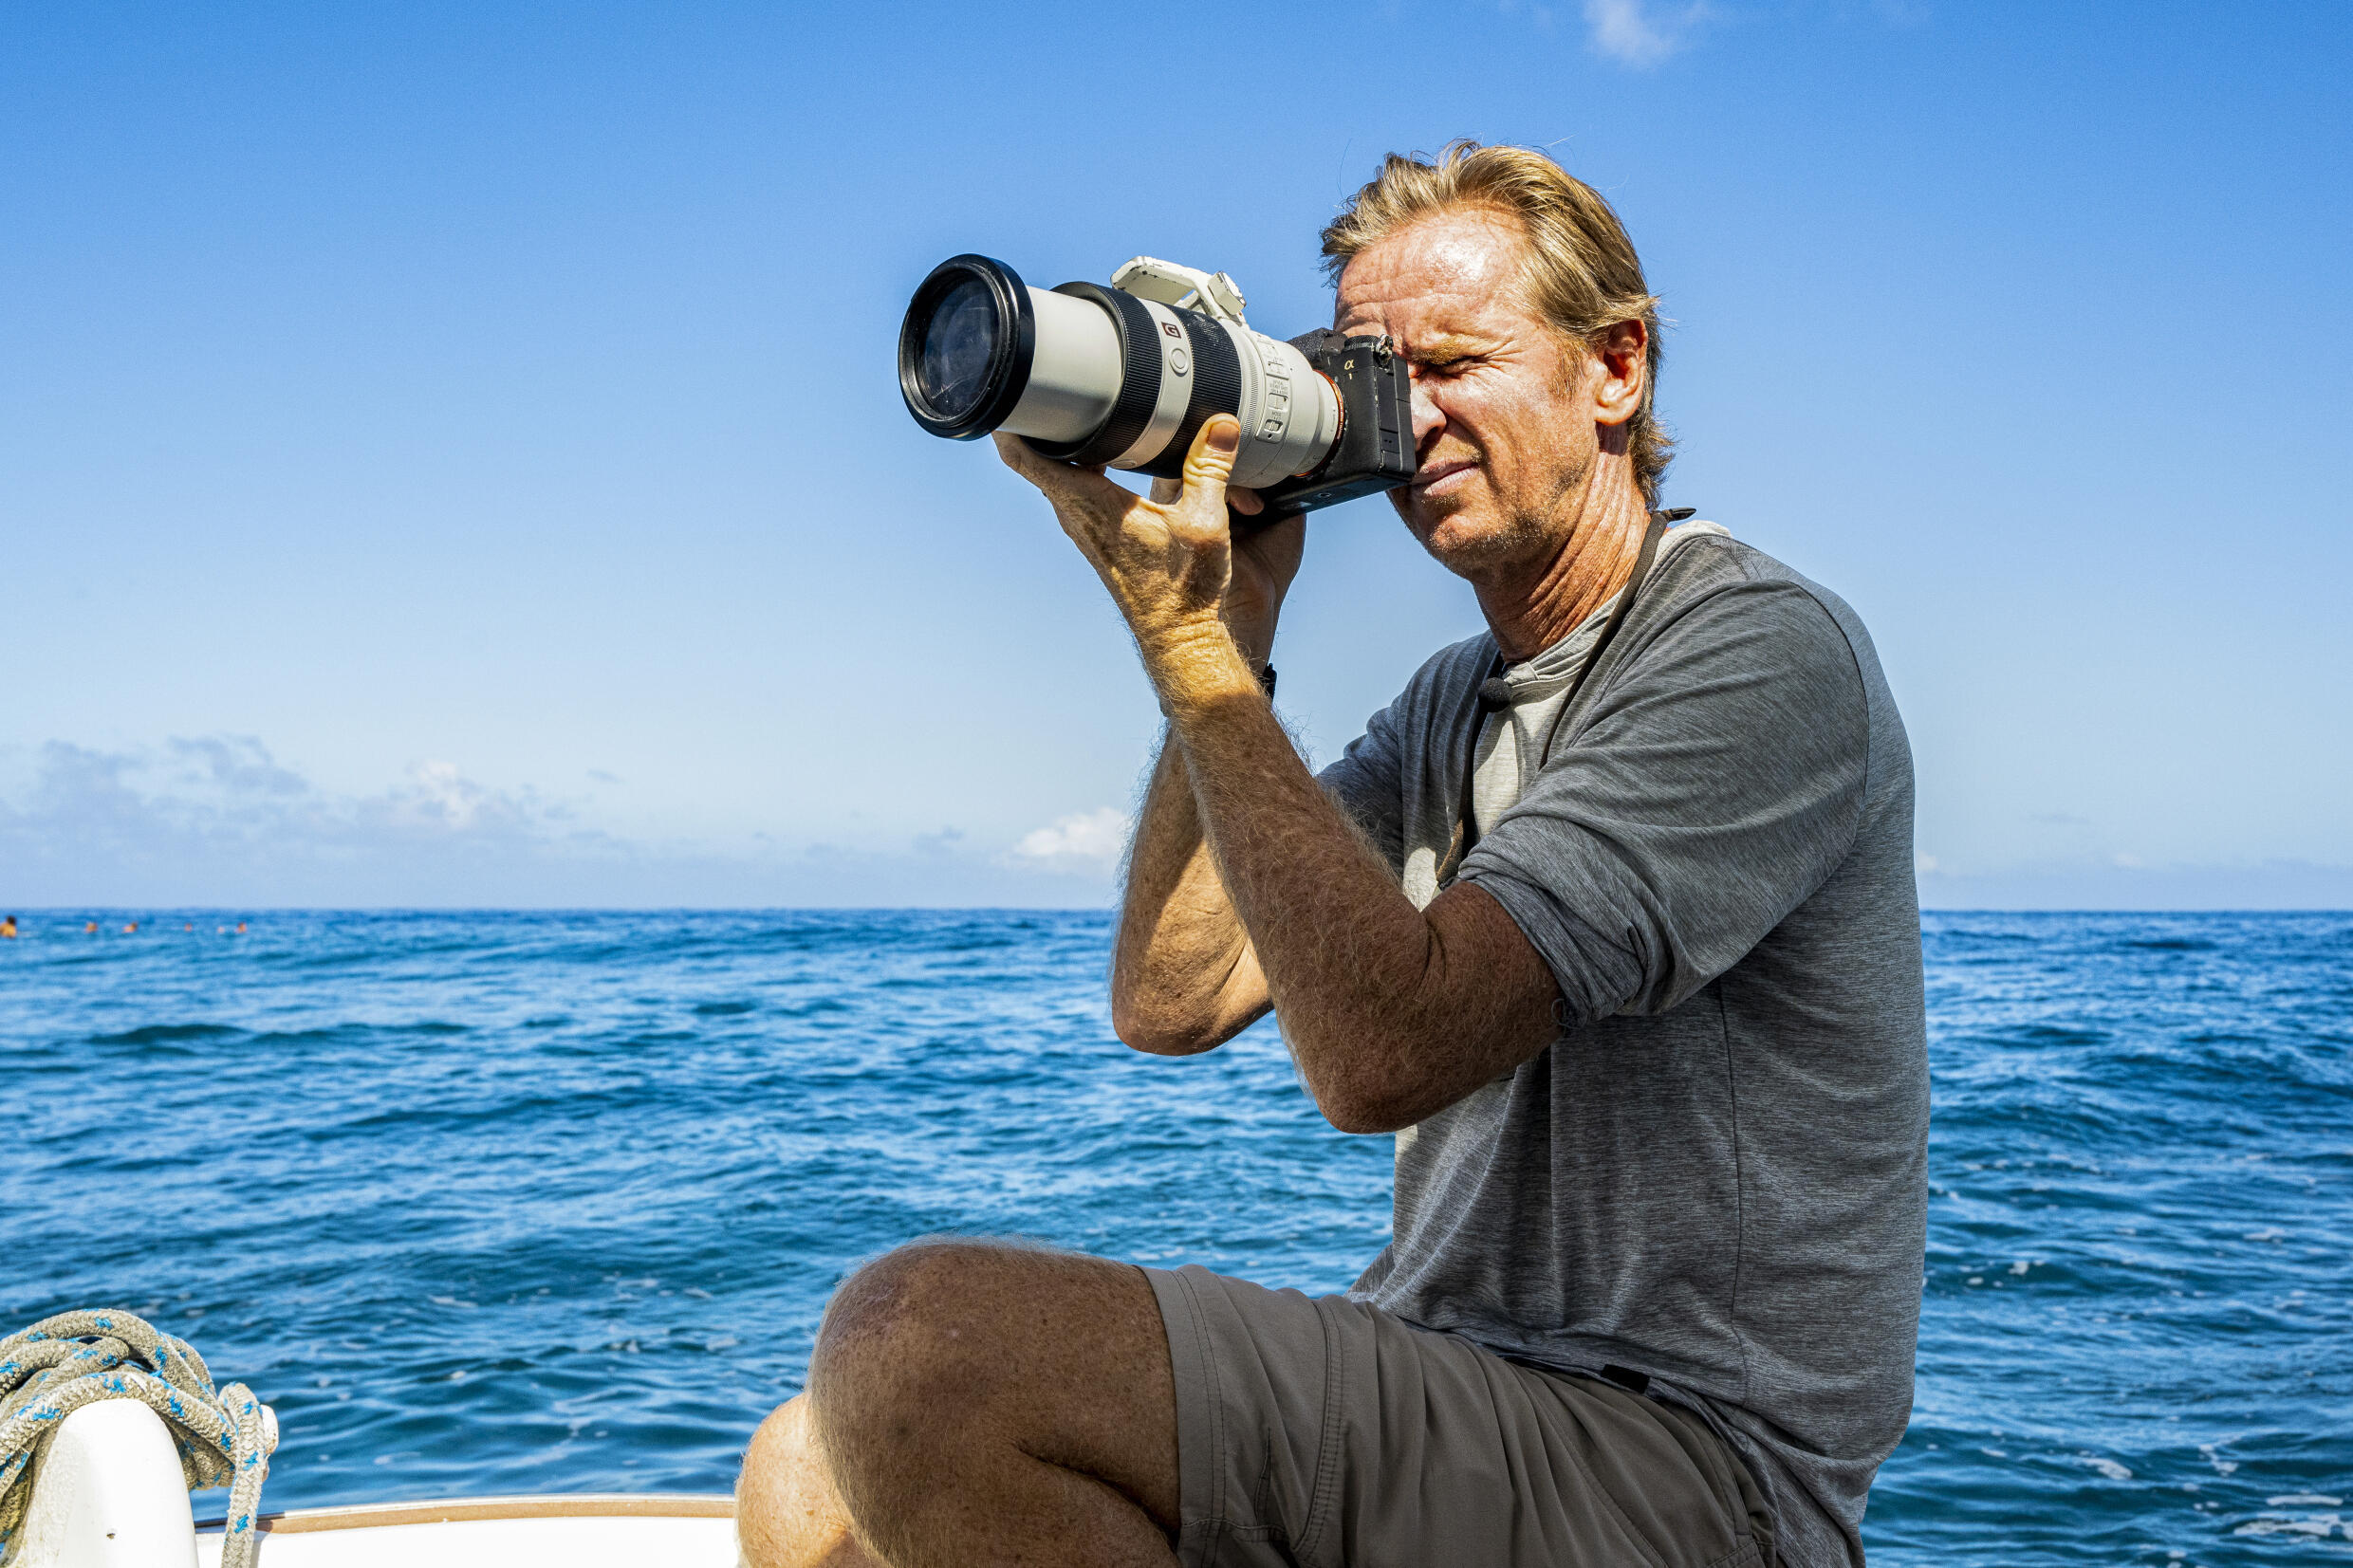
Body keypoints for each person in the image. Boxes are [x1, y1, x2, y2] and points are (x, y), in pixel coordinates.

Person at [736, 142, 1926, 1568]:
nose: (1406, 419)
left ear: (1615, 369)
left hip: (1684, 1466)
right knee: (804, 1469)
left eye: (1457, 364)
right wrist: (1228, 633)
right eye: (1372, 375)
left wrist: (1180, 645)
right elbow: (1172, 998)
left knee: (919, 1346)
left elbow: (1383, 1054)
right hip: (1466, 1383)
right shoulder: (1450, 705)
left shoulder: (1753, 653)